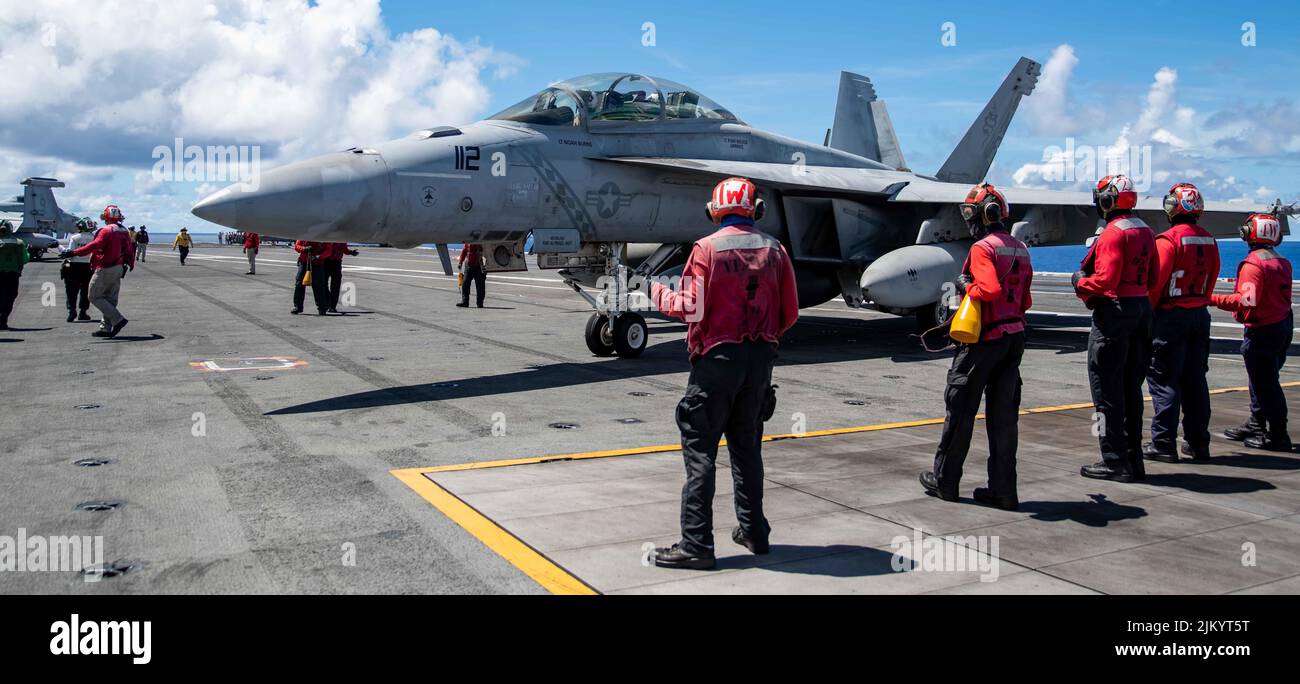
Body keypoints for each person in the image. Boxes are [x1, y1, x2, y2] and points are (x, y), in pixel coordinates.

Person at [649, 177, 799, 569]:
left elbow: (691, 308)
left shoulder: (706, 248)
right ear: (756, 209)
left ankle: (696, 545)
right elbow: (790, 314)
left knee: (700, 451)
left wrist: (657, 293)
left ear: (714, 210)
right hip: (760, 363)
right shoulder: (776, 249)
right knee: (747, 449)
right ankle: (754, 531)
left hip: (716, 362)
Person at [919, 183, 1033, 511]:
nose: (968, 219)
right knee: (1003, 419)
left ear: (984, 214)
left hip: (983, 342)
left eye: (969, 213)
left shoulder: (983, 248)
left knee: (960, 409)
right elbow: (1025, 299)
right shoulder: (1020, 249)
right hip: (1014, 340)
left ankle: (946, 481)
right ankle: (1003, 490)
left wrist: (965, 284)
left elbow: (990, 289)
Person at [1074, 175, 1156, 482]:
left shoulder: (1111, 234)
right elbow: (1154, 276)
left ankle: (1113, 460)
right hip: (1141, 311)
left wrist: (1080, 284)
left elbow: (1105, 281)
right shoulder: (1145, 230)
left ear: (1108, 200)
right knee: (1131, 389)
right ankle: (1133, 459)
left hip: (1114, 314)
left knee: (1106, 392)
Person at [1143, 183, 1220, 463]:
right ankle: (1199, 443)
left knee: (1164, 382)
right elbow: (1211, 281)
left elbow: (1155, 285)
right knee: (1196, 381)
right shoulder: (1209, 240)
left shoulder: (1168, 241)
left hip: (1170, 318)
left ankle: (1163, 443)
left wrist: (1146, 318)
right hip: (1200, 315)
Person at [1213, 213, 1293, 452]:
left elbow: (1245, 300)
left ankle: (1278, 434)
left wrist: (1211, 298)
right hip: (1281, 325)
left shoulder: (1254, 264)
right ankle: (1257, 424)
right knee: (1262, 381)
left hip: (1262, 330)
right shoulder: (1282, 262)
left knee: (1266, 384)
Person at [62, 205, 134, 338]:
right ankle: (106, 328)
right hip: (119, 267)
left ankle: (117, 319)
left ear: (105, 217)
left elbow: (95, 245)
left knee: (93, 296)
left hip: (105, 267)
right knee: (110, 298)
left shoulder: (105, 230)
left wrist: (74, 252)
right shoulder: (123, 230)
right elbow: (129, 248)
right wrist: (130, 263)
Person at [62, 218, 96, 322]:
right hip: (88, 266)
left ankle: (72, 311)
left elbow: (70, 252)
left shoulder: (75, 238)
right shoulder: (94, 238)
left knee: (71, 290)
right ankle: (83, 312)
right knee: (86, 290)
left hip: (74, 266)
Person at [0, 220, 28, 330]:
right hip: (13, 274)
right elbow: (25, 259)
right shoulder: (19, 243)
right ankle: (3, 320)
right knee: (10, 297)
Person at [290, 239, 326, 315]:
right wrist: (304, 249)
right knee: (299, 284)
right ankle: (298, 306)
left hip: (318, 264)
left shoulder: (323, 236)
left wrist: (319, 257)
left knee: (318, 286)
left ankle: (322, 308)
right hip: (304, 262)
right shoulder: (304, 234)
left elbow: (328, 250)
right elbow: (297, 246)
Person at [324, 242, 359, 313]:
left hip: (337, 263)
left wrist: (351, 252)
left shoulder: (341, 240)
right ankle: (328, 301)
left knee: (335, 286)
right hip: (326, 262)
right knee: (323, 284)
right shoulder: (327, 237)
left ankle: (332, 306)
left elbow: (344, 250)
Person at [457, 243, 486, 307]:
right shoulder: (467, 242)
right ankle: (465, 302)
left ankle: (480, 303)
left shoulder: (481, 241)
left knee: (480, 285)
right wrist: (460, 262)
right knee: (465, 284)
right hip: (469, 266)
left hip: (479, 266)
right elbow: (464, 251)